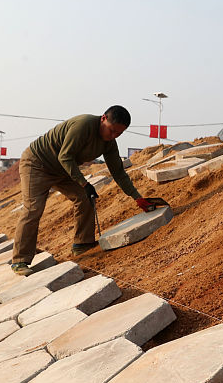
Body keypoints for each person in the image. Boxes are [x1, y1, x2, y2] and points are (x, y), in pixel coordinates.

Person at [10, 106, 155, 275]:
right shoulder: (83, 125)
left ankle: (82, 244)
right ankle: (20, 261)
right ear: (103, 119)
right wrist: (85, 184)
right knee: (33, 208)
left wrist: (137, 198)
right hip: (37, 164)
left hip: (63, 169)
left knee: (85, 198)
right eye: (111, 130)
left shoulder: (109, 143)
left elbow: (119, 173)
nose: (113, 136)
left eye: (118, 134)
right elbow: (65, 156)